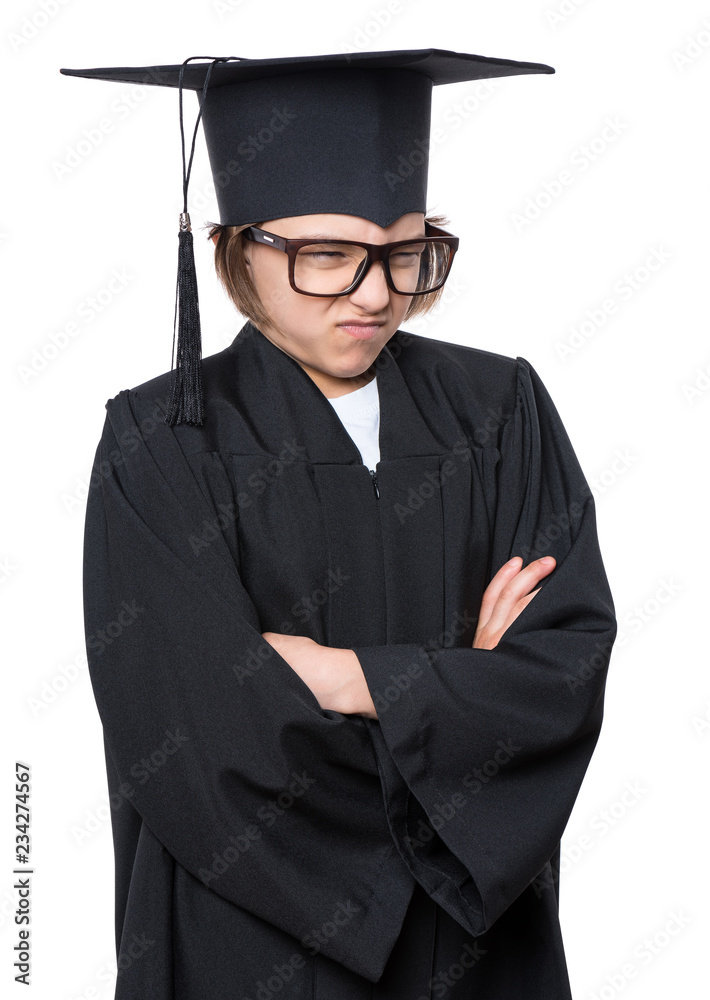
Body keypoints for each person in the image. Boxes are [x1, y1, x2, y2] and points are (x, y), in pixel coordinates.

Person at [63, 49, 617, 998]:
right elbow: (202, 733)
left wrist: (352, 678)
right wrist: (451, 689)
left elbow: (559, 677)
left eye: (405, 251)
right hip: (243, 943)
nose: (374, 292)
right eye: (329, 255)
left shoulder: (500, 411)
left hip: (478, 953)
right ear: (241, 248)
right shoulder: (160, 442)